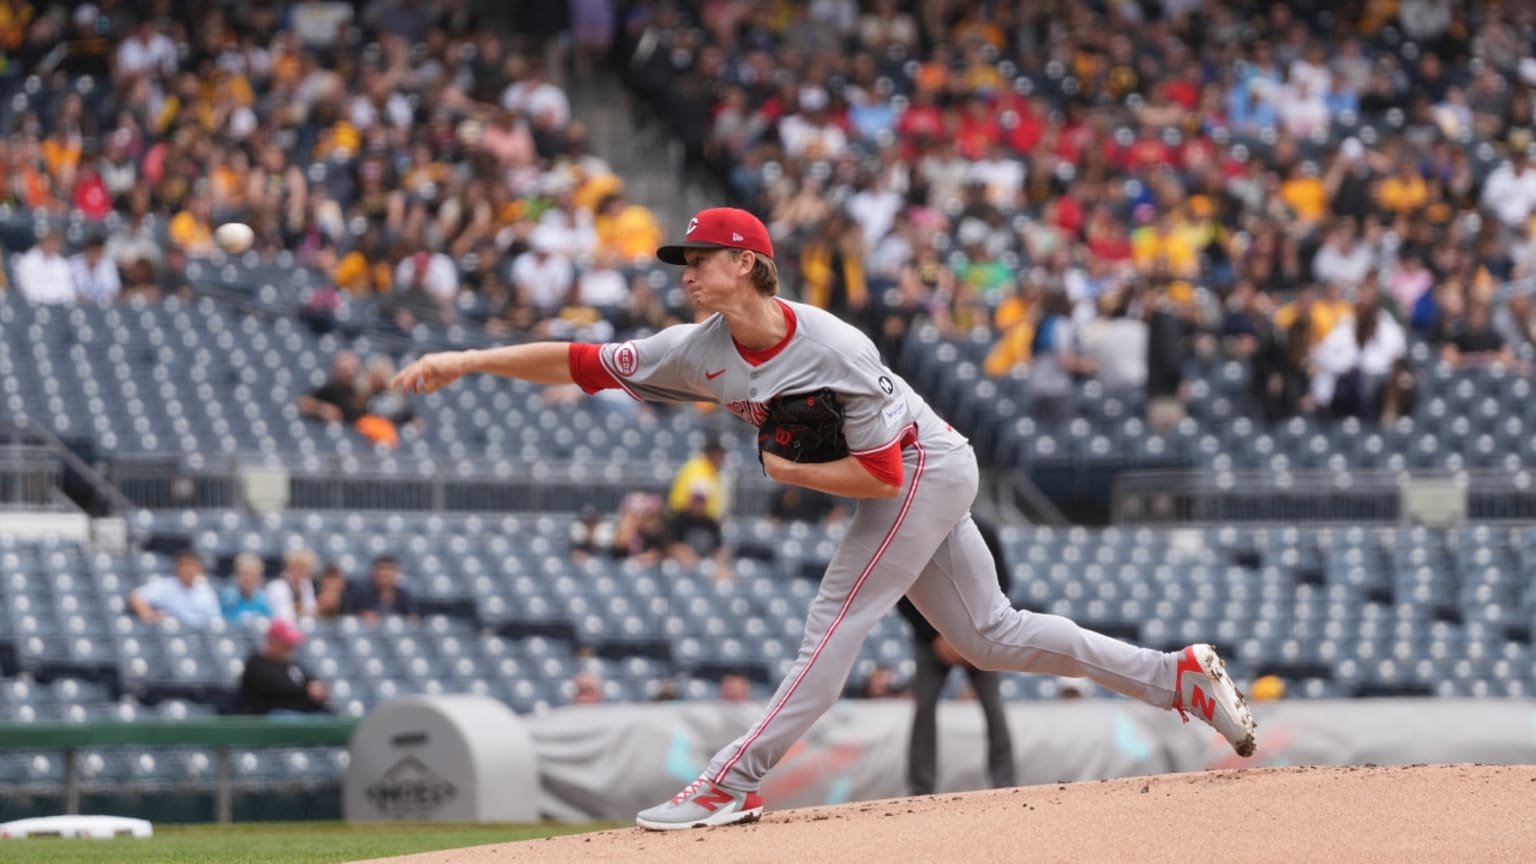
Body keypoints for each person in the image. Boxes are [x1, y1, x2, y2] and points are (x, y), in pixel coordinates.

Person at [392, 207, 1256, 832]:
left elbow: (881, 476)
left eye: (700, 258)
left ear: (750, 264)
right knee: (991, 636)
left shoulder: (836, 347)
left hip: (922, 464)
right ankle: (1173, 674)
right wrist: (468, 360)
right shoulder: (693, 352)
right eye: (681, 260)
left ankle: (731, 781)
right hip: (909, 472)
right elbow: (580, 362)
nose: (683, 271)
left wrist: (791, 468)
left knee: (832, 620)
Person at [897, 517, 1014, 797]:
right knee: (924, 707)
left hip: (977, 634)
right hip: (933, 639)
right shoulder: (918, 531)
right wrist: (937, 637)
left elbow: (1002, 586)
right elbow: (901, 591)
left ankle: (1006, 785)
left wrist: (972, 635)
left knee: (993, 707)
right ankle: (920, 790)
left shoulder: (984, 531)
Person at [235, 619, 330, 715]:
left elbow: (309, 680)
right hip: (268, 719)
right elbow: (279, 687)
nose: (290, 649)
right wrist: (307, 690)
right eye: (286, 645)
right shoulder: (256, 663)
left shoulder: (291, 665)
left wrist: (318, 687)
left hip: (300, 715)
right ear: (272, 641)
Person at [127, 549, 222, 630]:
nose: (188, 570)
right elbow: (135, 596)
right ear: (177, 568)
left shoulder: (206, 591)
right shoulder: (167, 586)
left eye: (192, 565)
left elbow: (215, 619)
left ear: (200, 569)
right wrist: (149, 615)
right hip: (173, 633)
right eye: (184, 565)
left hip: (199, 637)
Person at [297, 350, 367, 426]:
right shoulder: (330, 389)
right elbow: (303, 401)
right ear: (336, 369)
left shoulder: (359, 392)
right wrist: (321, 409)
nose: (350, 373)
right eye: (345, 370)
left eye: (353, 369)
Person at [667, 435, 728, 519]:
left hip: (698, 518)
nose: (722, 460)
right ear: (712, 454)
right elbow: (696, 501)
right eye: (720, 456)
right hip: (687, 518)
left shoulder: (709, 470)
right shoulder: (699, 468)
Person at [344, 555, 419, 623]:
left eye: (391, 569)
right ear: (373, 573)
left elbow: (413, 620)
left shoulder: (404, 595)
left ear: (397, 573)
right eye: (381, 568)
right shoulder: (360, 594)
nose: (386, 573)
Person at [265, 548, 319, 622]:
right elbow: (283, 616)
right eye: (300, 567)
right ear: (290, 567)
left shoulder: (306, 585)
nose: (304, 572)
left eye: (306, 568)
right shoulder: (277, 587)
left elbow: (312, 609)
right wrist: (303, 613)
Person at [220, 553, 273, 623]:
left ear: (259, 577)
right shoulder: (228, 598)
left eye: (252, 574)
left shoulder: (263, 601)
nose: (248, 579)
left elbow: (270, 622)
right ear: (236, 576)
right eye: (244, 574)